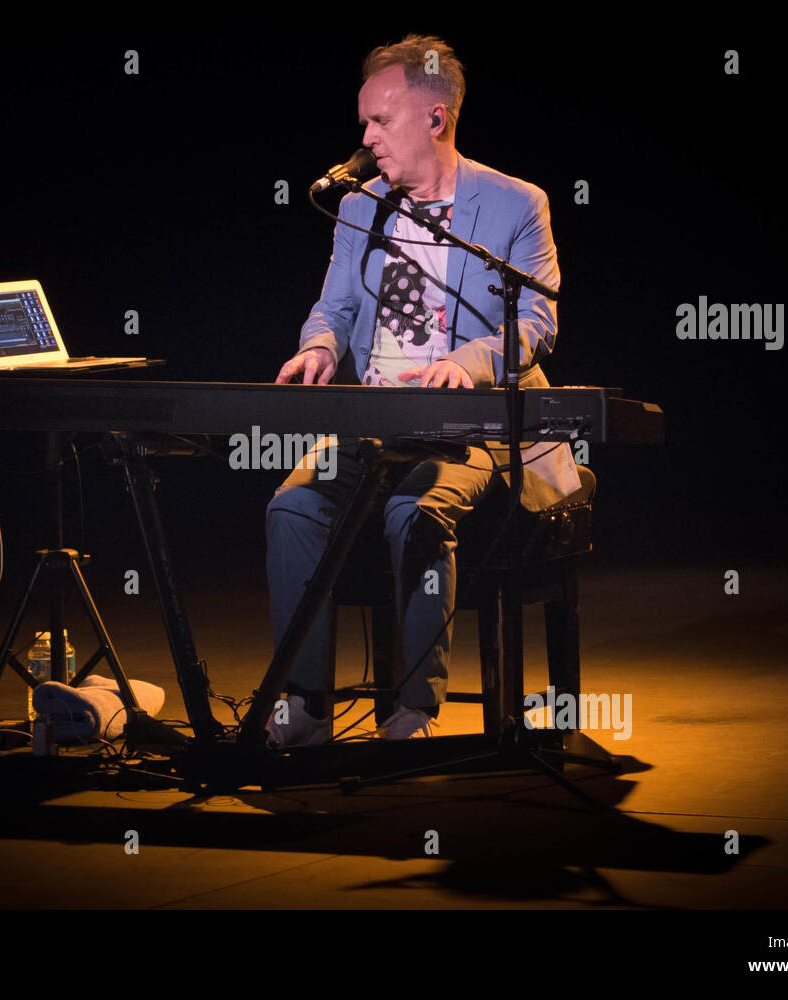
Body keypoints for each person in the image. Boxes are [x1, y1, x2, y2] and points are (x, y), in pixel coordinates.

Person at [265, 35, 582, 746]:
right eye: (365, 122)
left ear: (435, 118)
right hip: (376, 423)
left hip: (472, 428)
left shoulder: (515, 205)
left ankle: (414, 708)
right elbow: (335, 307)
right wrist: (317, 345)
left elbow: (536, 320)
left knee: (414, 509)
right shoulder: (359, 208)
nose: (366, 138)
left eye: (381, 121)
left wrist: (467, 364)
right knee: (291, 507)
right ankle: (306, 706)